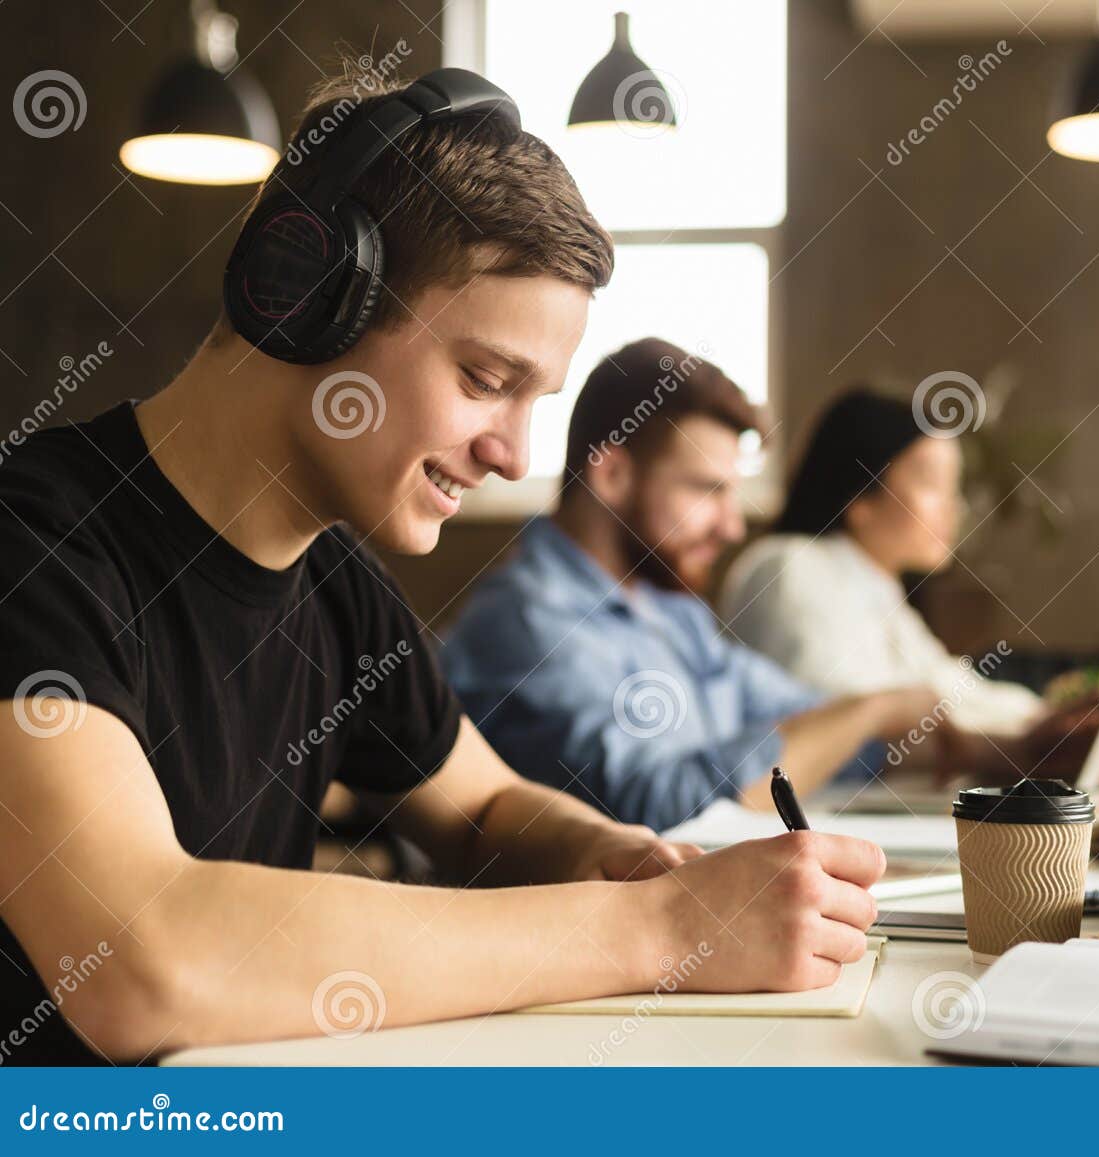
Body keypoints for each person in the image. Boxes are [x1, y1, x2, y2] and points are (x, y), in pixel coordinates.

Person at [0, 69, 883, 1067]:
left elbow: (487, 808)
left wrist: (618, 857)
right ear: (305, 296)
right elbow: (138, 961)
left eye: (533, 402)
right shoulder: (33, 540)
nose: (511, 452)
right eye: (485, 379)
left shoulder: (337, 586)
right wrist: (665, 925)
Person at [442, 342, 939, 832]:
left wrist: (921, 736)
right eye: (707, 489)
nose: (733, 528)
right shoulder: (528, 621)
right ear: (612, 474)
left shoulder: (672, 610)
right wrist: (874, 712)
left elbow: (806, 718)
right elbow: (661, 808)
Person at [718, 387, 1099, 790]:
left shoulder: (876, 587)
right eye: (933, 483)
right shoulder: (790, 567)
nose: (955, 507)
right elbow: (845, 713)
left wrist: (1045, 718)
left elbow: (948, 685)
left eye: (955, 488)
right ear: (861, 496)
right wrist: (1023, 742)